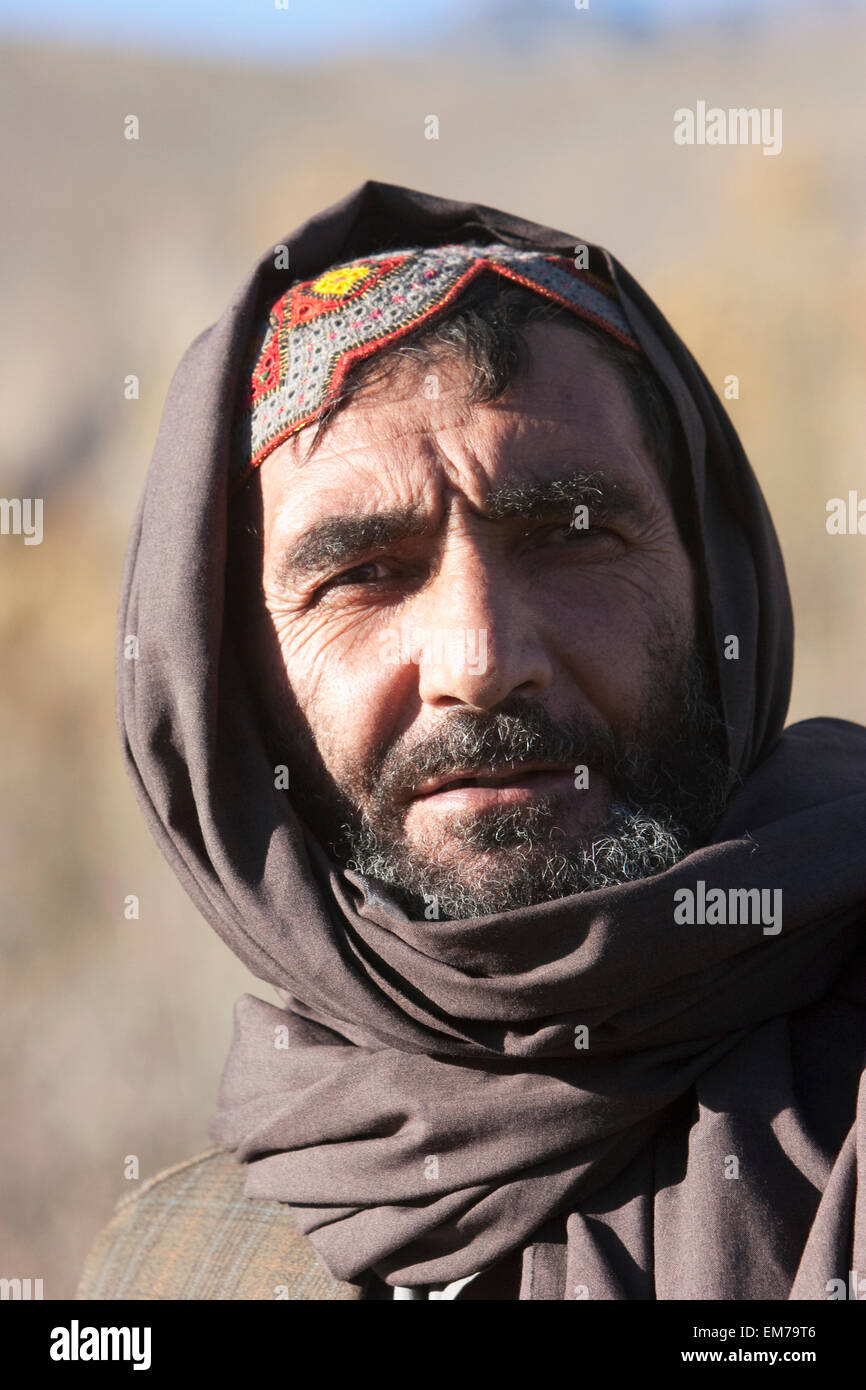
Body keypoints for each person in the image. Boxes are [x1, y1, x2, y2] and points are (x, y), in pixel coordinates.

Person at [78, 180, 866, 1302]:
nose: (482, 659)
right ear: (230, 690)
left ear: (717, 591)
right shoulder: (164, 1266)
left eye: (570, 534)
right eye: (361, 573)